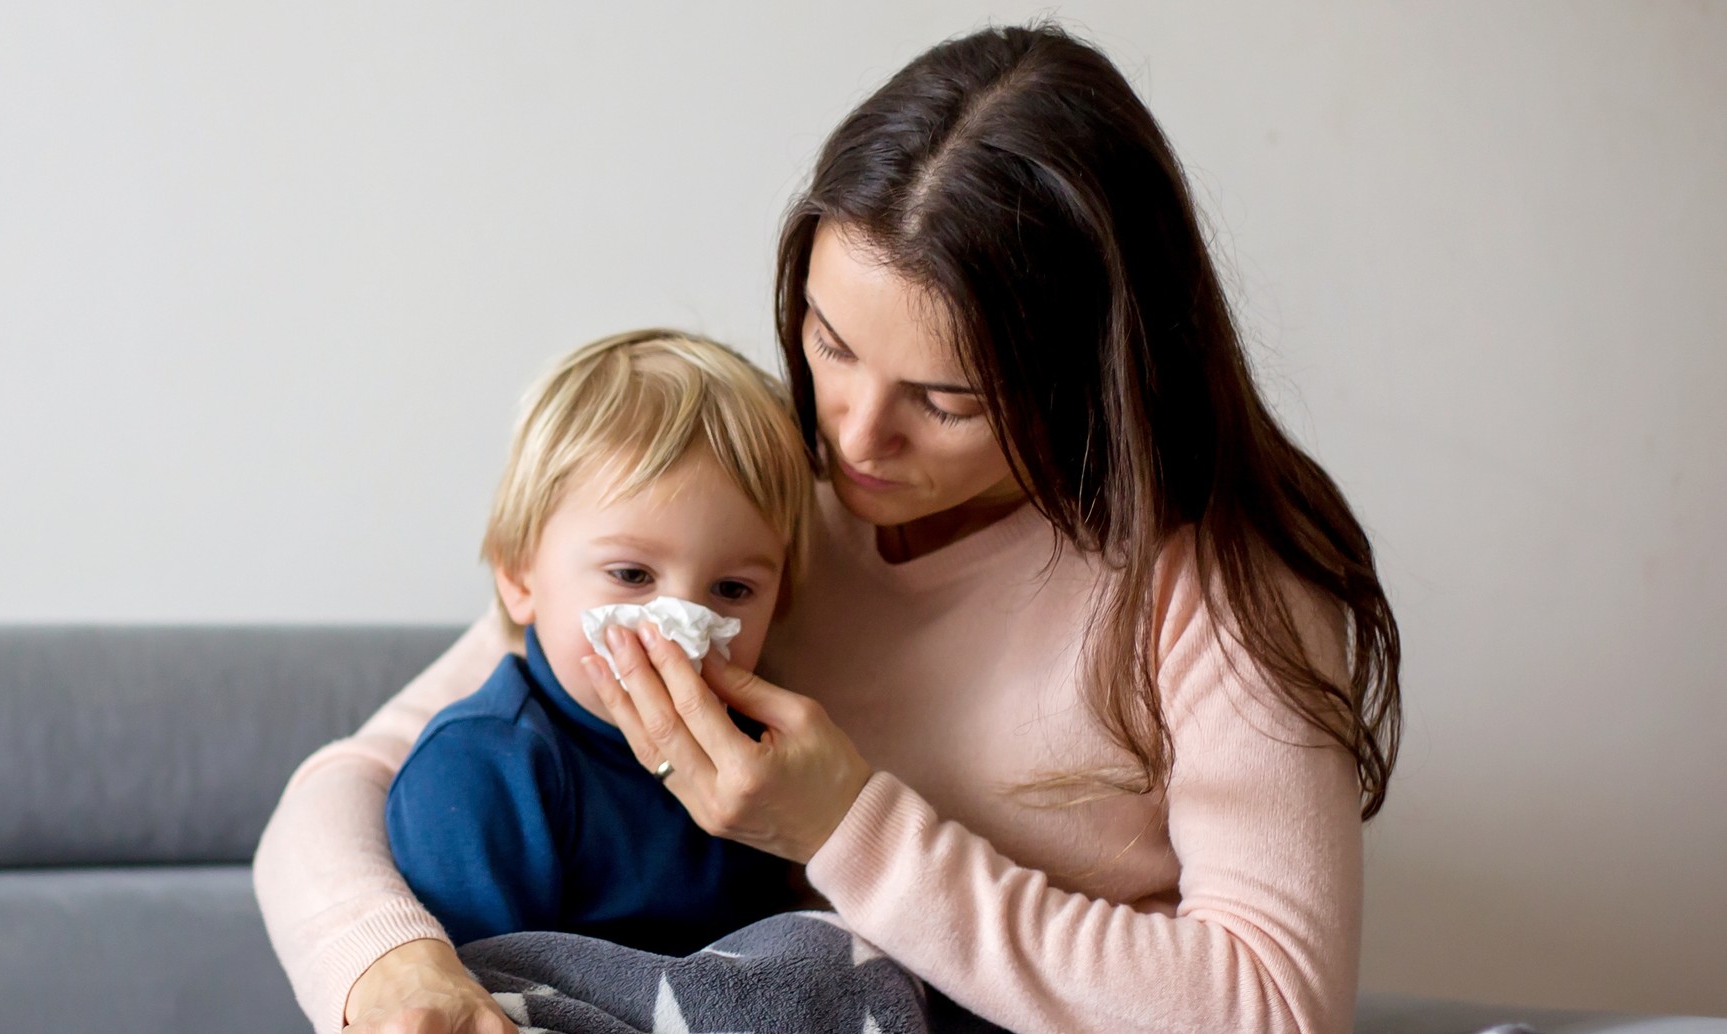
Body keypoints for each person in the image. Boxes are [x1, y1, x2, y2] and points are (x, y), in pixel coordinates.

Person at [254, 22, 1402, 1034]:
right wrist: (393, 964)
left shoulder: (1218, 584)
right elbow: (350, 782)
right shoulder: (744, 507)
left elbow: (1274, 1006)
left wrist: (849, 825)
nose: (853, 436)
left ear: (1091, 380)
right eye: (830, 341)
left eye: (946, 400)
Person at [383, 329, 810, 953]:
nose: (679, 626)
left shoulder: (758, 762)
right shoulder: (483, 772)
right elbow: (486, 999)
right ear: (518, 576)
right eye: (632, 576)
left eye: (732, 589)